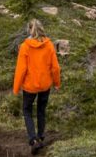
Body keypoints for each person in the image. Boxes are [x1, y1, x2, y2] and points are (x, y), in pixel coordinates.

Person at [12, 19, 61, 154]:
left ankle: (33, 140)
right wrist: (57, 83)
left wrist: (16, 88)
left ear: (29, 30)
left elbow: (21, 69)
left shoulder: (25, 46)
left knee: (27, 111)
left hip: (30, 86)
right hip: (45, 85)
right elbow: (55, 68)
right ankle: (40, 136)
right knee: (41, 111)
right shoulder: (49, 45)